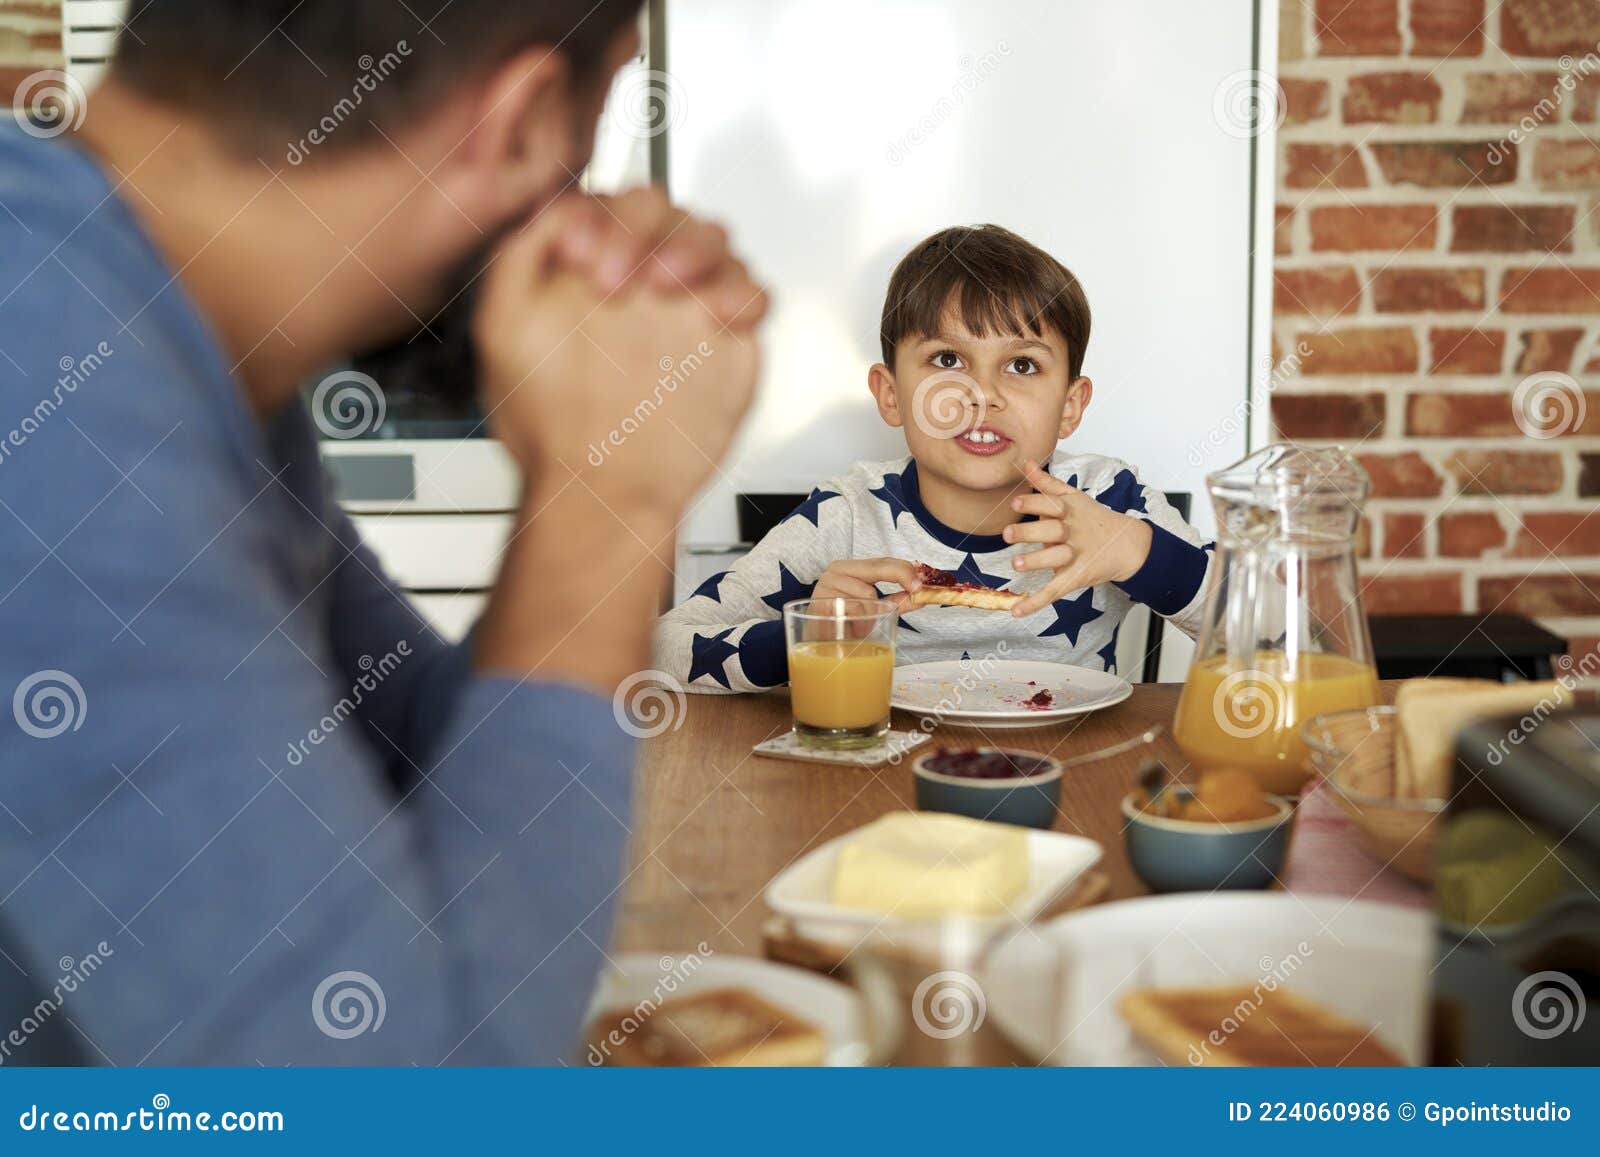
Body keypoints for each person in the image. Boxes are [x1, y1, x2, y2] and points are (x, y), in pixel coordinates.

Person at [0, 0, 765, 1064]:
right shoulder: (45, 391)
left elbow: (398, 757)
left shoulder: (135, 311)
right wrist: (606, 500)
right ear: (526, 120)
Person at [654, 225, 1212, 692]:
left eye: (1021, 365)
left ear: (1070, 406)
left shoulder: (1110, 501)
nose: (981, 394)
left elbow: (1285, 636)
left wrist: (1137, 551)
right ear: (891, 394)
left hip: (1065, 790)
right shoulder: (848, 516)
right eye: (948, 359)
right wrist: (806, 637)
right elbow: (659, 652)